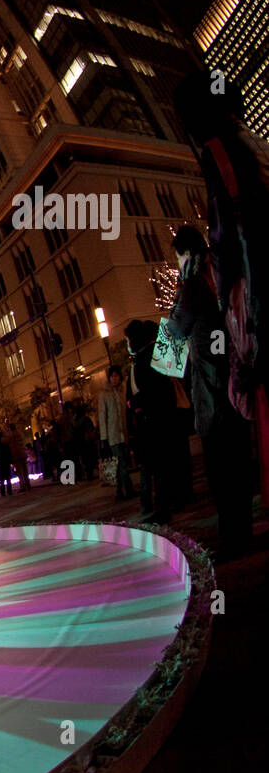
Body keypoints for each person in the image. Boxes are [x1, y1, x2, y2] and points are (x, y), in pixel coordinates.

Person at [173, 71, 269, 501]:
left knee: (232, 460)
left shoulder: (218, 153)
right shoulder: (251, 145)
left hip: (248, 324)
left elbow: (228, 239)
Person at [167, 225, 254, 552]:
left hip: (212, 388)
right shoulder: (216, 275)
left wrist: (179, 290)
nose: (177, 263)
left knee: (222, 471)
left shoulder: (192, 285)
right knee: (237, 468)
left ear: (186, 254)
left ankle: (234, 540)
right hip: (231, 382)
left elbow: (175, 331)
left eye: (178, 256)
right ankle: (239, 534)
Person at [125, 319, 179, 524]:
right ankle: (164, 504)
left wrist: (140, 407)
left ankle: (163, 506)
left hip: (153, 421)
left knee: (158, 467)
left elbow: (147, 392)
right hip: (162, 417)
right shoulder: (154, 355)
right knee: (162, 467)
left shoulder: (143, 360)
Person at [99, 366, 135, 501]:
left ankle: (119, 492)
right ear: (109, 378)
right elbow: (102, 416)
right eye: (112, 376)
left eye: (117, 376)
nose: (115, 378)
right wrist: (104, 438)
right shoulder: (104, 394)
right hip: (112, 434)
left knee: (120, 463)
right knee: (121, 464)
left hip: (123, 433)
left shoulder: (122, 391)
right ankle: (129, 489)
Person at [0, 430, 12, 496]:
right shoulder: (4, 443)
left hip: (0, 462)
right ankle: (9, 490)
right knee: (8, 477)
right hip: (5, 461)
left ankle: (3, 491)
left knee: (2, 478)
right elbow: (8, 452)